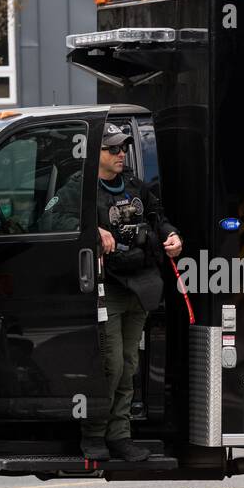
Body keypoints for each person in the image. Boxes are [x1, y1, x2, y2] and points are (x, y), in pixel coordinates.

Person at [43, 124, 182, 461]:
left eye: (123, 148)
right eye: (113, 149)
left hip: (142, 286)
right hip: (109, 288)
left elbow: (157, 216)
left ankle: (120, 436)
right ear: (97, 154)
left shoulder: (136, 186)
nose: (121, 154)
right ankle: (93, 435)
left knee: (130, 363)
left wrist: (172, 236)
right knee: (111, 365)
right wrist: (94, 231)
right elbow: (51, 221)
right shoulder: (81, 188)